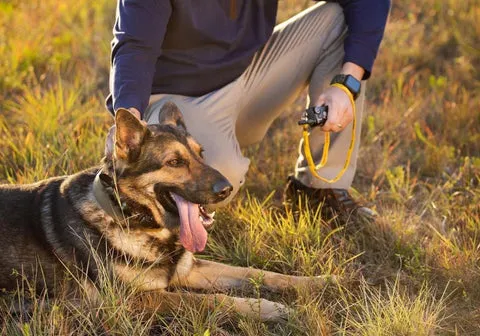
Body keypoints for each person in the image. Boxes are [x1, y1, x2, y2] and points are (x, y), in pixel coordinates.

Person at [106, 0, 391, 219]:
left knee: (337, 20)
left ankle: (320, 188)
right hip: (177, 100)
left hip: (248, 75)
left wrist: (346, 83)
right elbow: (134, 46)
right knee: (216, 182)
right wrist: (132, 133)